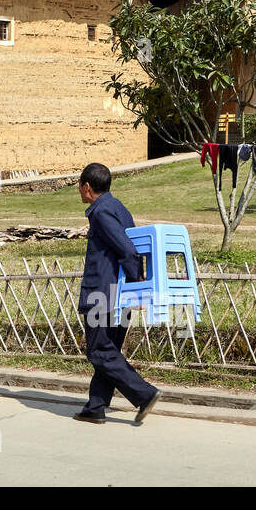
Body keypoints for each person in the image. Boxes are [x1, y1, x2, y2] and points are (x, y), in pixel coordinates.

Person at [73, 162, 160, 426]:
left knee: (99, 351)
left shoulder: (101, 213)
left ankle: (144, 393)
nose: (78, 190)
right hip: (119, 296)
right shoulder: (120, 208)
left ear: (87, 187)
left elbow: (128, 251)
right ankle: (95, 406)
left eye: (79, 186)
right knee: (108, 350)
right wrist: (136, 289)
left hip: (104, 294)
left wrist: (137, 286)